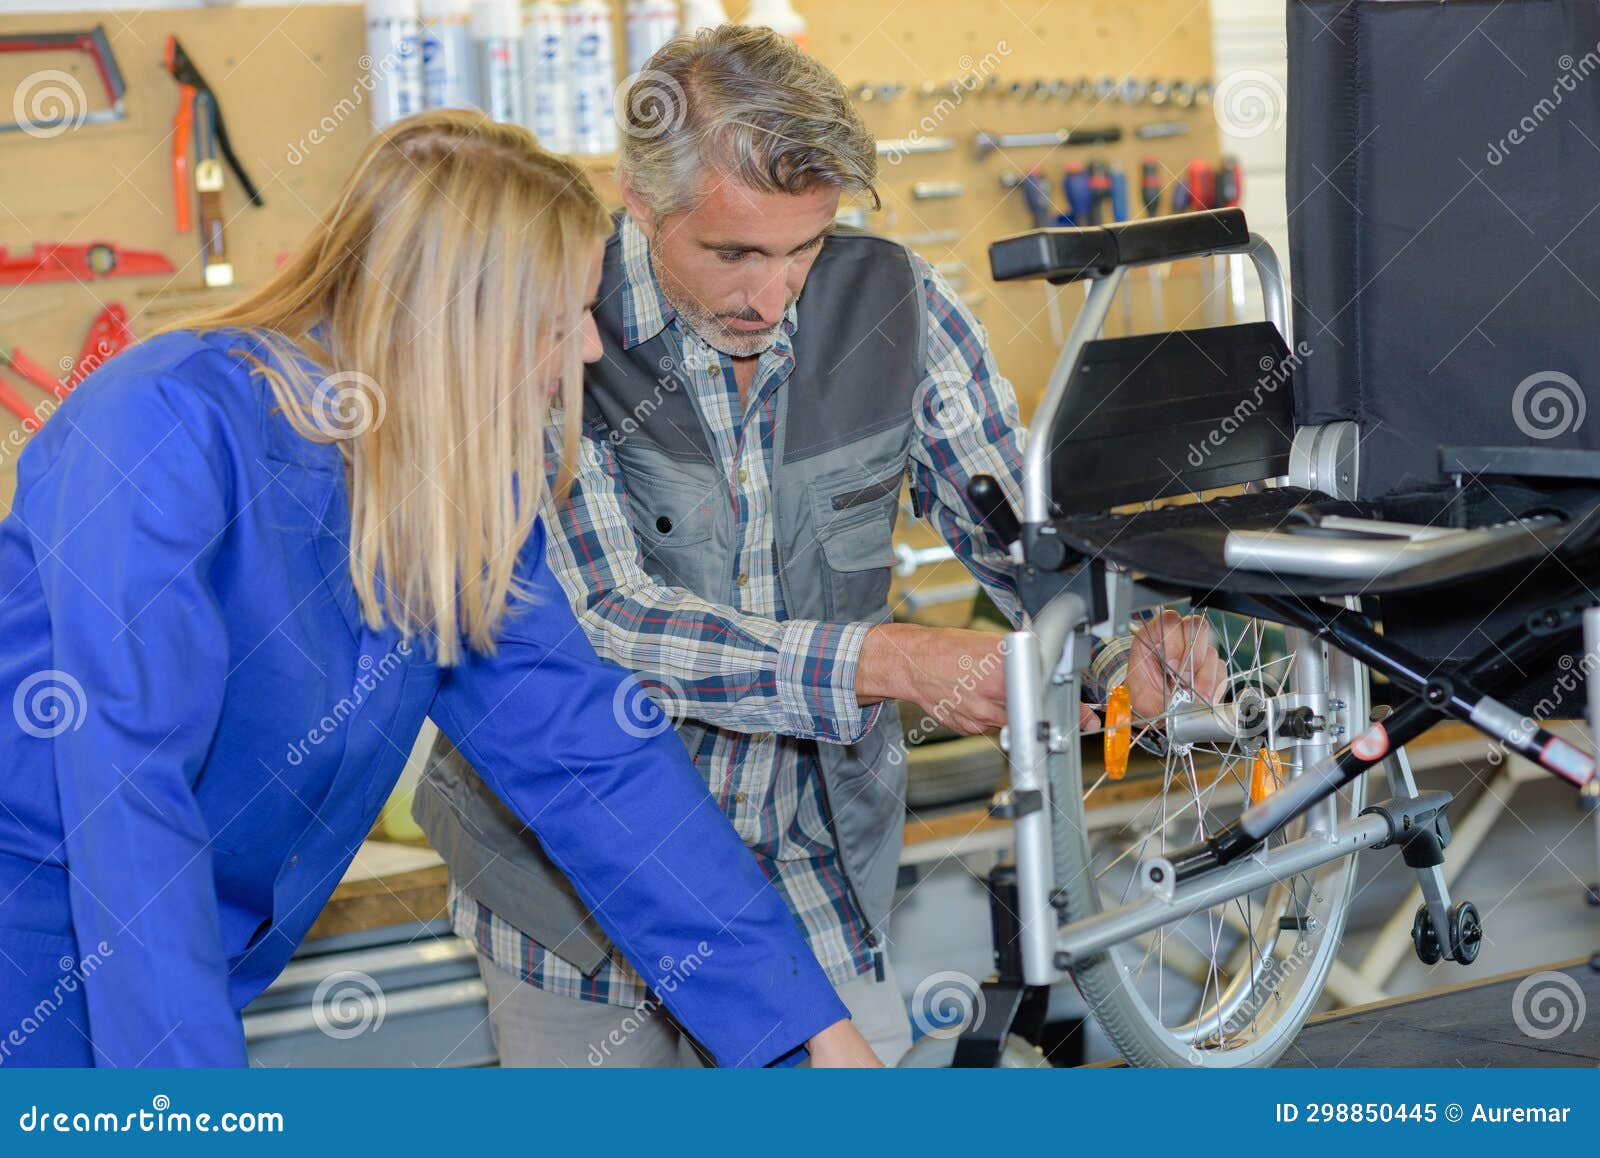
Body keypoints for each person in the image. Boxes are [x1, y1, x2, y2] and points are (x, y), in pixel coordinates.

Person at [415, 27, 1226, 1068]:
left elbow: (1020, 541)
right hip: (574, 895)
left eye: (804, 248)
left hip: (807, 871)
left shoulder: (898, 304)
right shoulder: (552, 329)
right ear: (641, 200)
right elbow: (604, 628)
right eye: (735, 253)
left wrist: (1120, 643)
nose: (774, 294)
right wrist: (884, 661)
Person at [0, 109, 878, 1069]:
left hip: (170, 962)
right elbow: (125, 794)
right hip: (45, 950)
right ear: (447, 319)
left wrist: (810, 1035)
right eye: (556, 323)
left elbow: (592, 762)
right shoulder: (164, 426)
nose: (588, 352)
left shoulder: (457, 486)